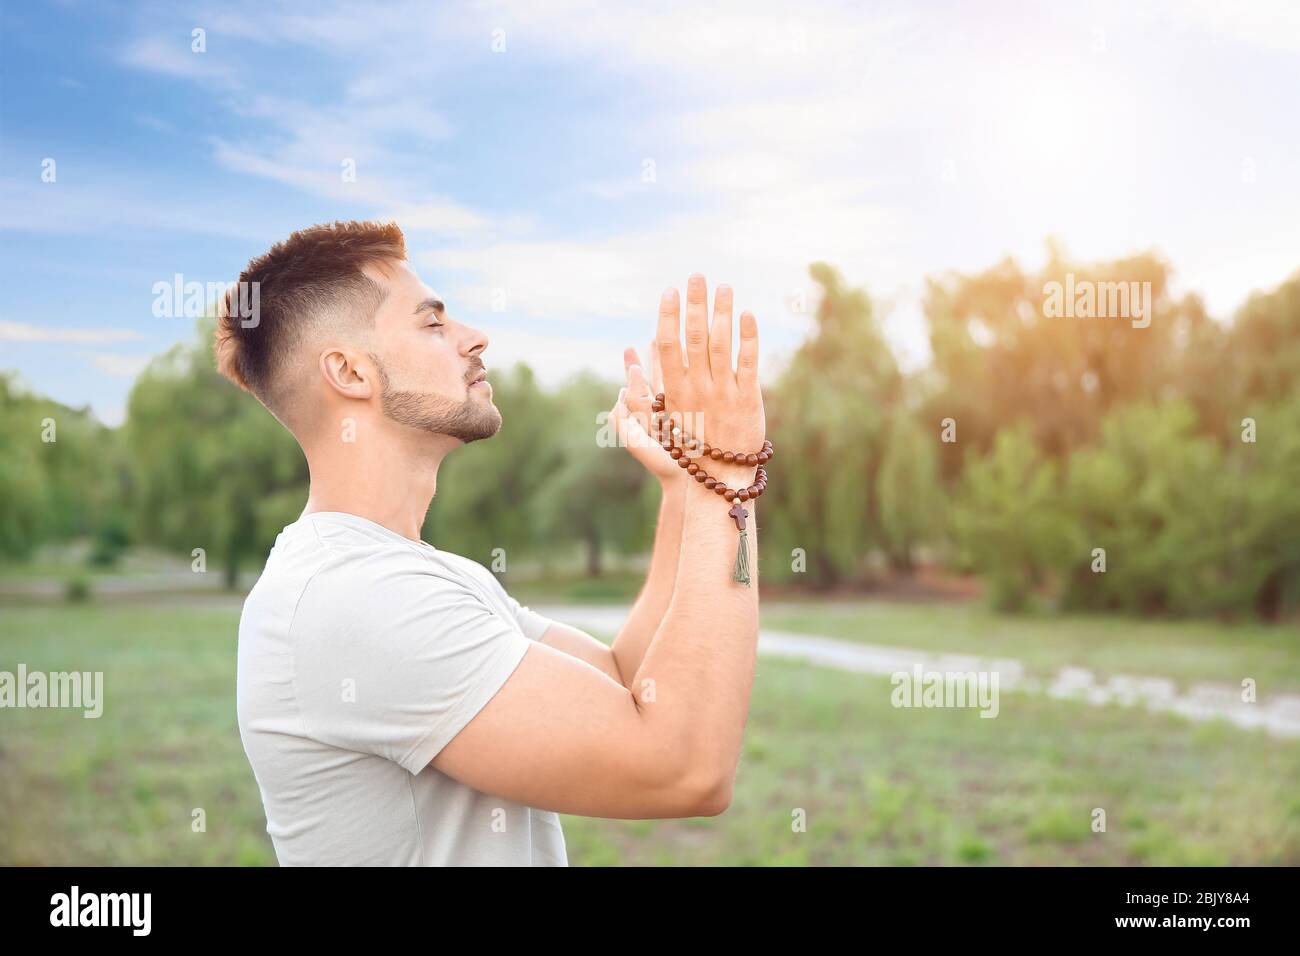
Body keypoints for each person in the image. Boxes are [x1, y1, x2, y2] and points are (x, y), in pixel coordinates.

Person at [221, 220, 765, 865]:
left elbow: (626, 680)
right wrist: (726, 476)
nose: (475, 337)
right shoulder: (354, 598)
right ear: (349, 372)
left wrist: (683, 490)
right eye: (432, 323)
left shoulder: (418, 576)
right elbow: (682, 768)